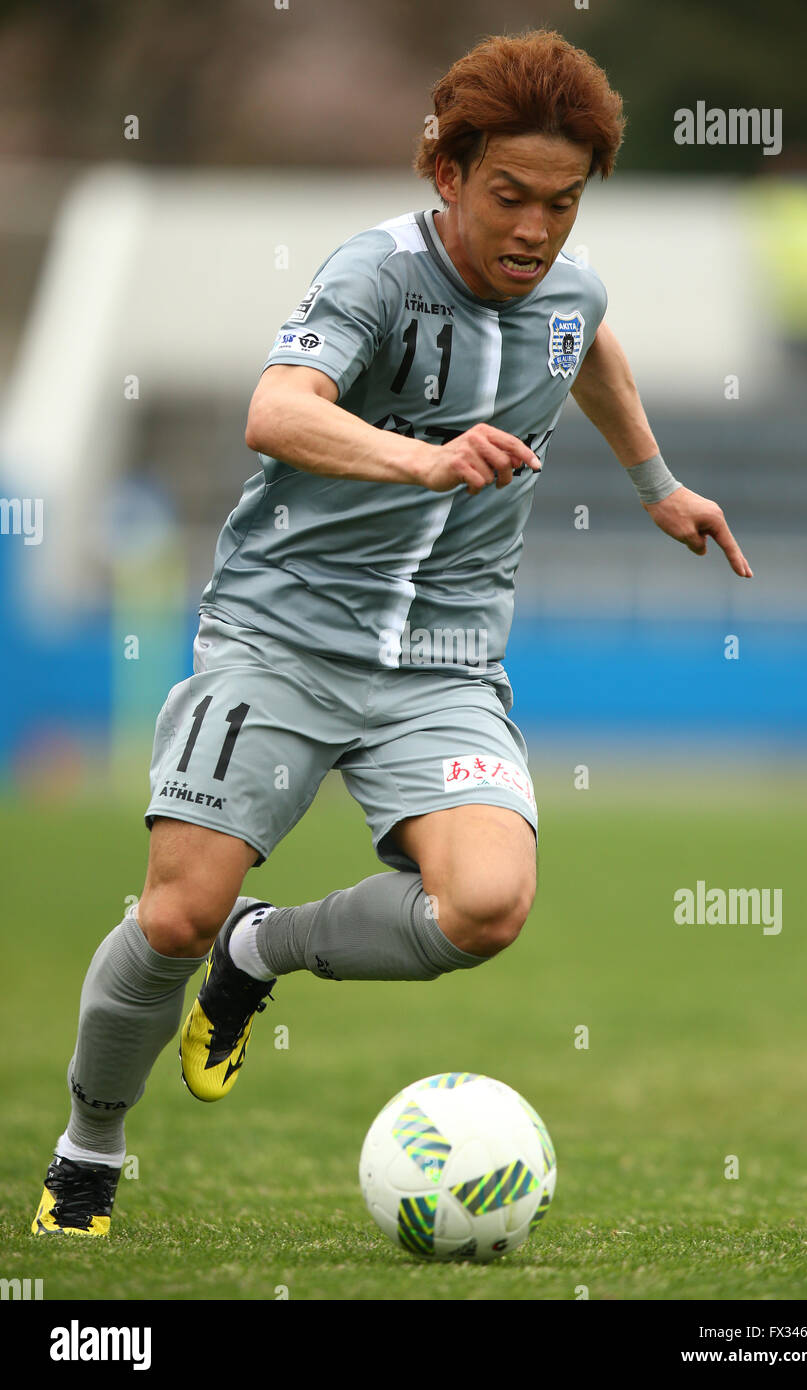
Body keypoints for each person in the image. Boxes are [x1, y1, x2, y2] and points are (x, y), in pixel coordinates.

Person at [32, 28, 750, 1236]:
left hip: (444, 663)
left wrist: (656, 485)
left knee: (485, 905)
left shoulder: (568, 288)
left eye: (562, 204)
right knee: (174, 916)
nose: (534, 230)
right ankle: (88, 1150)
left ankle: (261, 953)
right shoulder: (373, 275)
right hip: (283, 636)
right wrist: (423, 459)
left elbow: (587, 344)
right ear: (447, 172)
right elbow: (276, 410)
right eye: (509, 196)